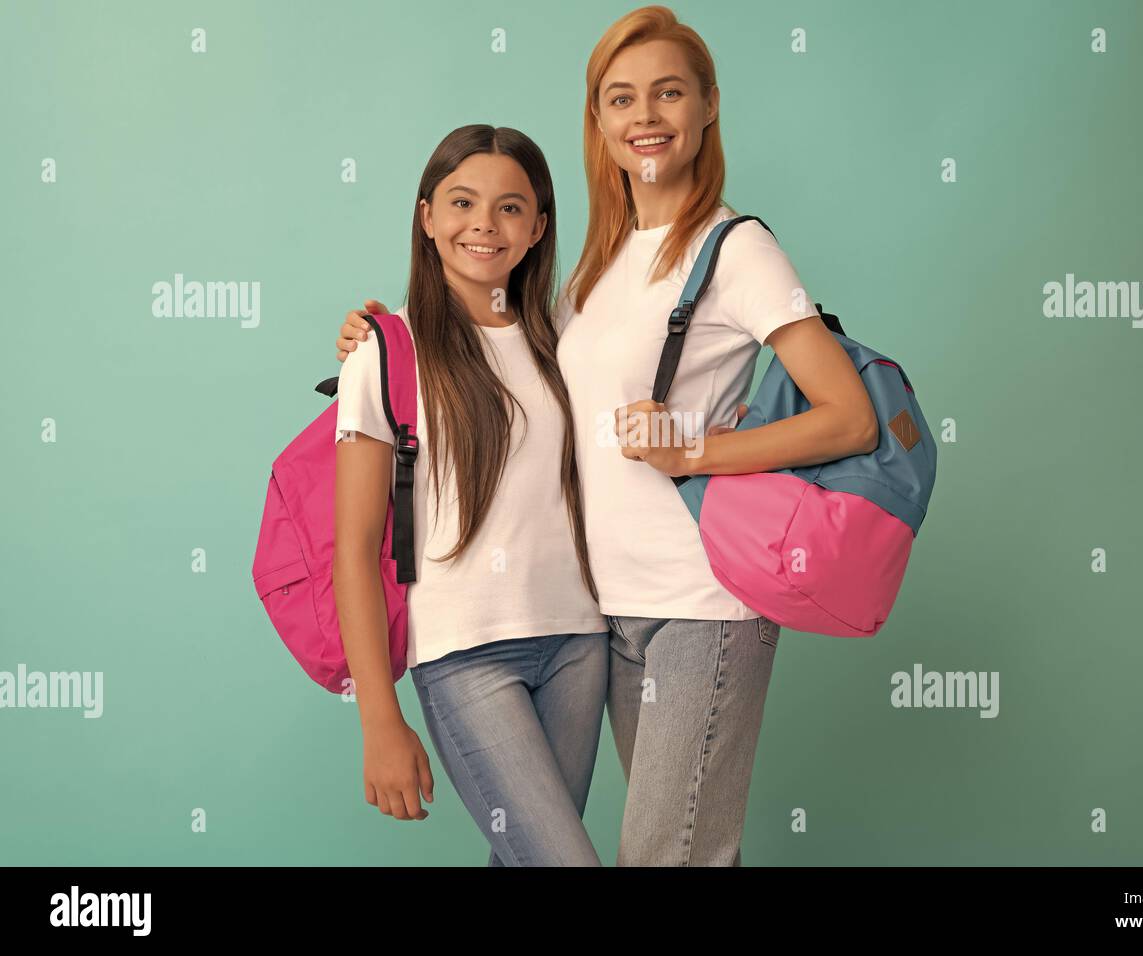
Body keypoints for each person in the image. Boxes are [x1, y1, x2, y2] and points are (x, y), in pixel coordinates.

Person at [335, 6, 878, 865]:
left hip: (699, 602)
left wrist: (693, 450)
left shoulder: (734, 249)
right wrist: (382, 338)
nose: (646, 116)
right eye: (621, 98)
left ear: (708, 107)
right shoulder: (596, 267)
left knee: (670, 856)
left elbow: (849, 416)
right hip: (610, 614)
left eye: (669, 93)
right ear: (599, 121)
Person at [333, 124, 609, 866]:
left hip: (581, 643)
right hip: (463, 655)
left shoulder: (564, 338)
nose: (484, 223)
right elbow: (355, 553)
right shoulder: (385, 351)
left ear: (539, 228)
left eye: (511, 207)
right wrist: (378, 721)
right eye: (461, 201)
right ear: (426, 217)